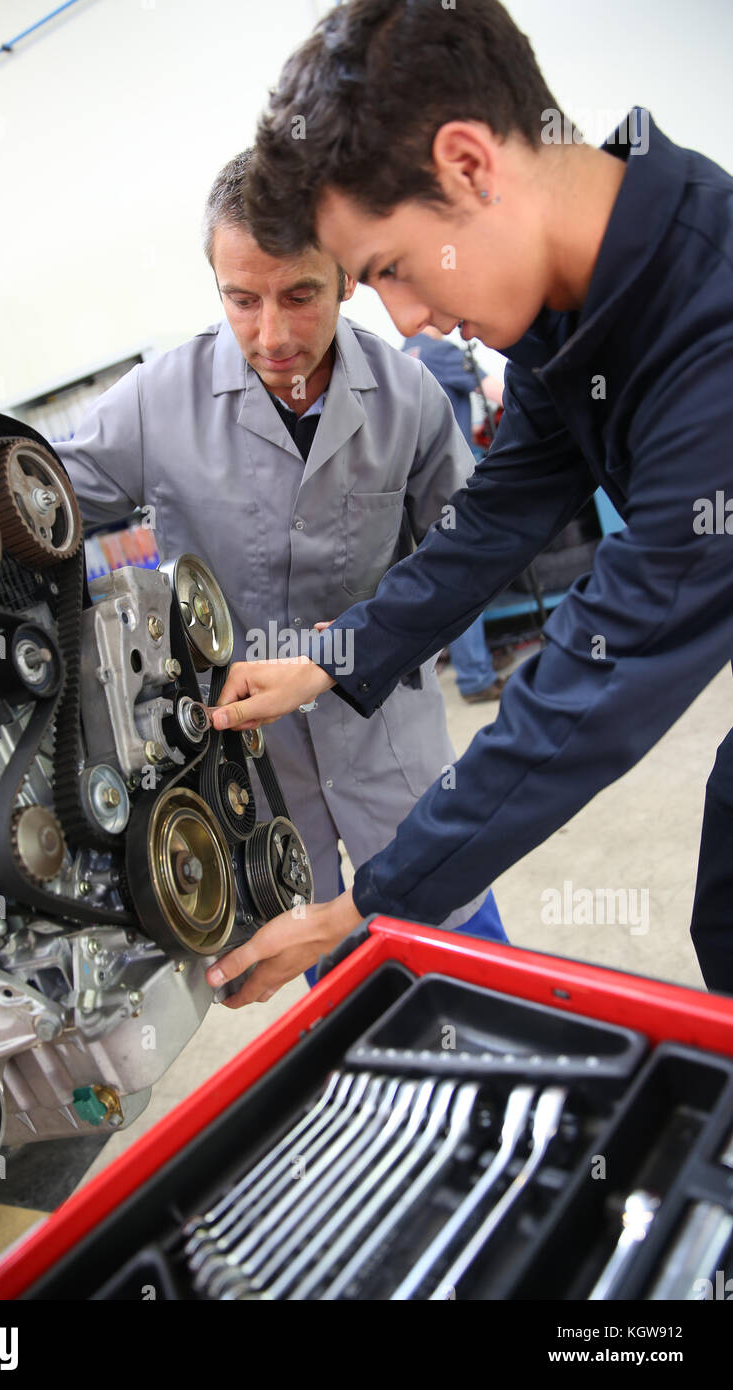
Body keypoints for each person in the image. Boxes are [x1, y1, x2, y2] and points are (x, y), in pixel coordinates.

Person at [203, 0, 733, 1008]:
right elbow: (488, 523)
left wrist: (365, 903)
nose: (406, 317)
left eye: (391, 270)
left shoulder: (710, 331)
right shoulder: (568, 311)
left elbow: (587, 687)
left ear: (467, 165)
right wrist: (330, 656)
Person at [53, 148, 506, 971]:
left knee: (478, 983)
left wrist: (367, 641)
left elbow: (470, 556)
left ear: (348, 277)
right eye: (241, 299)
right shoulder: (159, 401)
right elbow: (37, 500)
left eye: (300, 294)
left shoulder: (408, 402)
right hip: (258, 789)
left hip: (394, 760)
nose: (272, 334)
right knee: (345, 1022)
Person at [402, 326, 507, 702]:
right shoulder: (440, 352)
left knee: (443, 572)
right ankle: (476, 677)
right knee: (464, 571)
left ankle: (470, 665)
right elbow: (496, 391)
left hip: (415, 486)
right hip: (452, 479)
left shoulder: (403, 354)